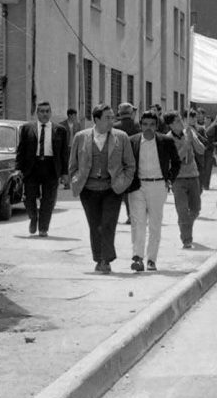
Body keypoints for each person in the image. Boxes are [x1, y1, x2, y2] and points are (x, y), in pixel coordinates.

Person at [67, 104, 136, 274]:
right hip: (88, 189)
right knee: (94, 224)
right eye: (107, 117)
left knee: (107, 224)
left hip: (112, 189)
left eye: (113, 117)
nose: (112, 121)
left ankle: (106, 260)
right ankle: (98, 258)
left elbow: (130, 165)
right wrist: (76, 180)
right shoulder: (81, 137)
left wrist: (122, 183)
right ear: (96, 119)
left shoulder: (122, 137)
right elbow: (73, 165)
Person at [126, 111, 181, 272]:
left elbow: (176, 162)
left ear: (156, 126)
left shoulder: (165, 141)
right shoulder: (133, 141)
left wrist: (169, 179)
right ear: (140, 125)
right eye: (145, 124)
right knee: (138, 222)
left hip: (158, 185)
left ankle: (151, 259)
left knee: (155, 224)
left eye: (151, 125)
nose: (148, 128)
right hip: (137, 187)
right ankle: (137, 257)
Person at [16, 101, 69, 238]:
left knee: (48, 200)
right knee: (29, 197)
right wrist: (18, 169)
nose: (45, 114)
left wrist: (64, 173)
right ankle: (33, 218)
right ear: (37, 113)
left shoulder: (60, 130)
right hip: (32, 167)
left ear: (50, 113)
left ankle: (43, 228)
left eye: (47, 111)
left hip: (51, 167)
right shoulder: (27, 128)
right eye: (42, 111)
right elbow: (21, 150)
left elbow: (64, 153)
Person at [165, 111, 203, 249]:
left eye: (181, 119)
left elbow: (201, 150)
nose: (181, 123)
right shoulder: (167, 139)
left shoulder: (189, 133)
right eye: (177, 121)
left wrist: (192, 140)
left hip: (193, 175)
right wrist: (185, 145)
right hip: (178, 179)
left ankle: (184, 223)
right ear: (170, 125)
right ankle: (187, 239)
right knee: (182, 210)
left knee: (196, 209)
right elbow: (175, 159)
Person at [114, 102, 141, 224]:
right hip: (136, 160)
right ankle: (133, 214)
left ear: (119, 113)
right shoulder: (137, 126)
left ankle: (119, 215)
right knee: (134, 189)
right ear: (130, 113)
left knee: (121, 189)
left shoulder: (114, 127)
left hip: (119, 162)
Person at [194, 109, 214, 192]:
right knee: (202, 168)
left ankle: (206, 185)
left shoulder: (213, 129)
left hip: (209, 151)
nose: (207, 121)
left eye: (209, 120)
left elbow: (213, 140)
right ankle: (201, 184)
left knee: (208, 168)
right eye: (206, 119)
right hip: (201, 150)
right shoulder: (200, 129)